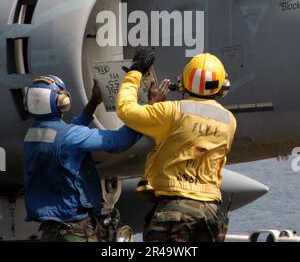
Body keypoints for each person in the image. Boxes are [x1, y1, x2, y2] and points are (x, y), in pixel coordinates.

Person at [116, 49, 237, 242]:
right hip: (211, 213)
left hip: (174, 211)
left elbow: (125, 110)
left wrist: (135, 72)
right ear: (222, 86)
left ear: (182, 83)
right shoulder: (229, 121)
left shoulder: (171, 112)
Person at [23, 75, 141, 242]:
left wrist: (93, 103)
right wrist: (147, 112)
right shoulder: (69, 137)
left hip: (51, 229)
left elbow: (68, 134)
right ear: (62, 101)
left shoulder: (33, 134)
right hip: (75, 230)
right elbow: (120, 141)